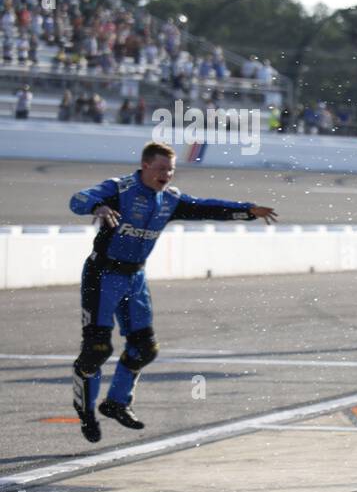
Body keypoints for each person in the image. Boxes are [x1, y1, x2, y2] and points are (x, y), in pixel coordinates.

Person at [68, 143, 277, 442]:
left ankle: (116, 402)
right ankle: (86, 410)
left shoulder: (170, 199)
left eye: (171, 170)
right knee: (97, 351)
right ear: (144, 166)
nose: (166, 175)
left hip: (135, 277)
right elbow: (78, 199)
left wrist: (247, 211)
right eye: (161, 169)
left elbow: (208, 207)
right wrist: (97, 206)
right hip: (102, 276)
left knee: (144, 349)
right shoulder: (119, 189)